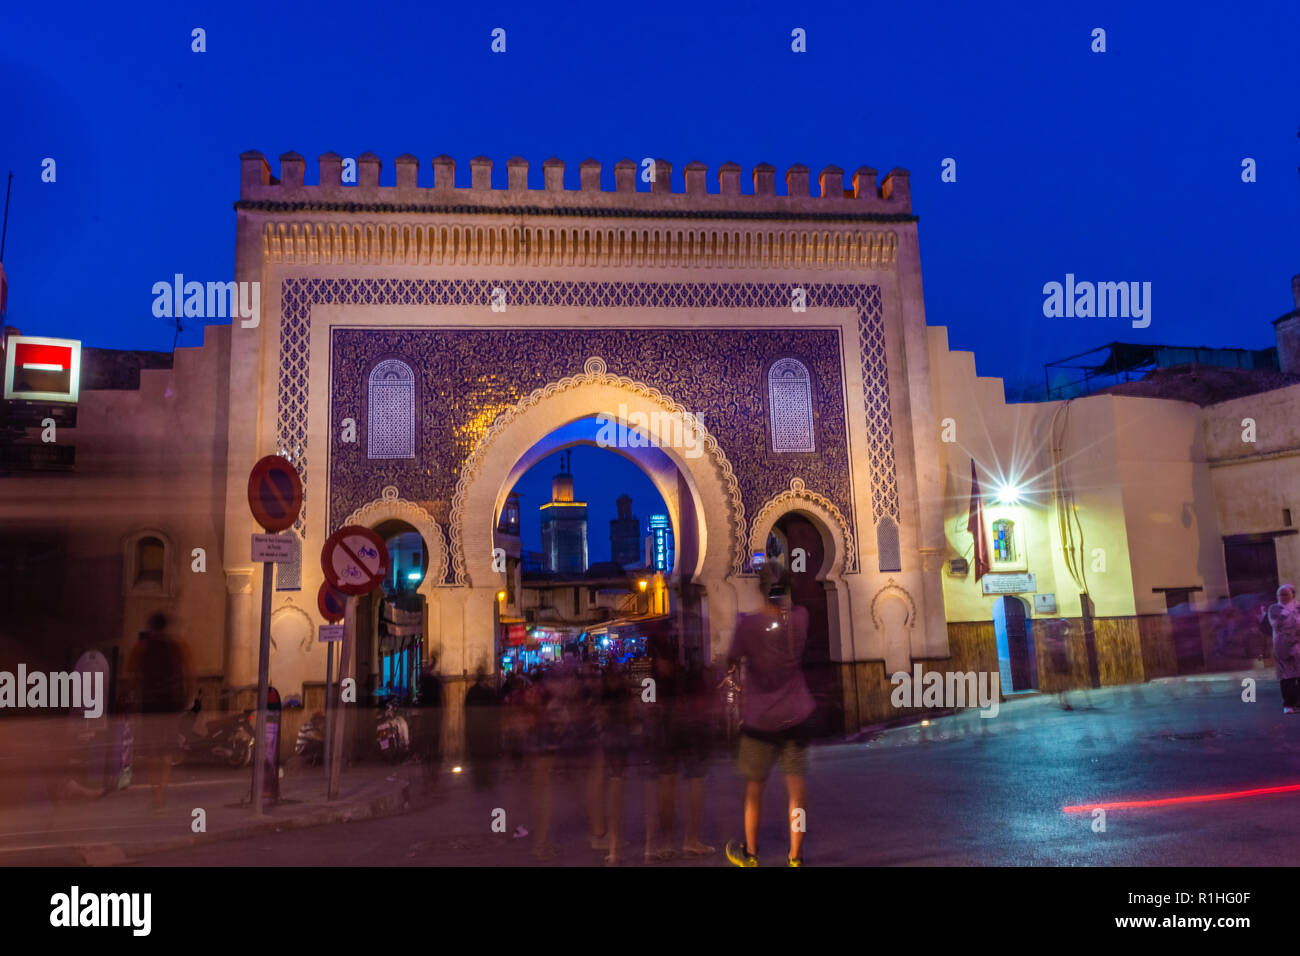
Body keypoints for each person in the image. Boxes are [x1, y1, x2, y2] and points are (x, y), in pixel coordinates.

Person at [725, 563, 814, 867]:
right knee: (797, 794)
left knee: (754, 790)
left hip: (760, 719)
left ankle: (750, 854)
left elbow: (732, 660)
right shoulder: (801, 619)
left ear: (761, 589)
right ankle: (796, 856)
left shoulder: (748, 626)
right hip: (797, 714)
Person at [125, 613, 191, 812]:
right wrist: (185, 698)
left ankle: (155, 794)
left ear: (151, 627)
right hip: (170, 706)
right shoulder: (178, 647)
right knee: (166, 753)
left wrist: (136, 700)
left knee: (152, 753)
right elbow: (189, 673)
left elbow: (132, 676)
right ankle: (161, 793)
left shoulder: (141, 648)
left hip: (150, 706)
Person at [1262, 585, 1300, 713]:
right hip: (1283, 646)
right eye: (1280, 595)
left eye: (1286, 594)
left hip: (1298, 644)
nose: (1283, 597)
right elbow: (1276, 625)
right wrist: (1286, 615)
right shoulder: (1274, 608)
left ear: (1293, 594)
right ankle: (1288, 704)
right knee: (1287, 676)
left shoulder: (1298, 607)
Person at [463, 665, 501, 791]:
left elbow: (467, 712)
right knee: (483, 756)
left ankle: (480, 780)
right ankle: (483, 779)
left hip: (477, 729)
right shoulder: (487, 692)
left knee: (478, 756)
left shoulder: (472, 692)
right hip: (483, 729)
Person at [416, 659, 444, 791]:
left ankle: (429, 778)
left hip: (428, 721)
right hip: (432, 721)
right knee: (432, 750)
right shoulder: (433, 682)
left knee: (429, 750)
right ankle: (432, 778)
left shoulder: (425, 683)